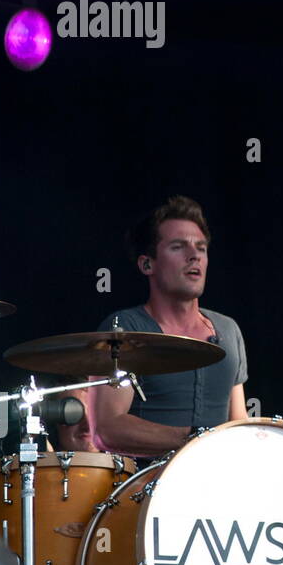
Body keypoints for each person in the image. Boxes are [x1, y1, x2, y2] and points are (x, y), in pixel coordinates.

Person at [88, 196, 248, 458]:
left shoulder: (228, 329)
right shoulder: (123, 329)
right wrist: (196, 438)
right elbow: (107, 430)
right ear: (147, 264)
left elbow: (238, 420)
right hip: (149, 487)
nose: (194, 254)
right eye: (178, 247)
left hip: (220, 484)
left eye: (201, 247)